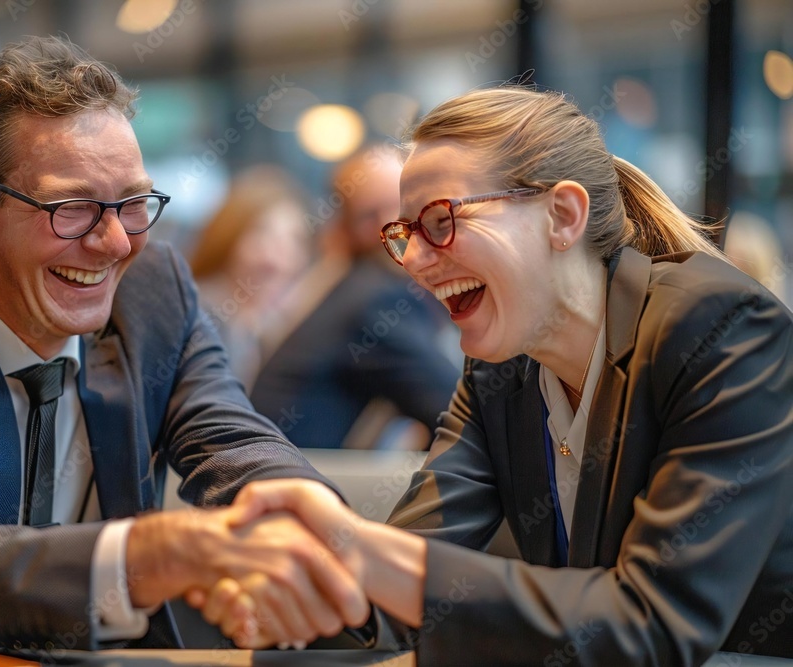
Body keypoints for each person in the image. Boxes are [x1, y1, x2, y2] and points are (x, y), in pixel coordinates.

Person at [0, 36, 368, 652]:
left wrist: (303, 510)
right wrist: (139, 557)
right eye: (73, 208)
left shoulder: (153, 294)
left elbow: (232, 437)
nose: (117, 243)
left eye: (132, 204)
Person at [194, 85, 793, 665]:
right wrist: (295, 599)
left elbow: (656, 625)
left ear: (562, 215)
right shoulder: (498, 371)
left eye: (438, 221)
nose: (412, 263)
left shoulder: (721, 328)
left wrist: (367, 555)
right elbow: (414, 569)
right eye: (404, 234)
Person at [250, 145, 459, 449]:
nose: (388, 225)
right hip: (293, 485)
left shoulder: (355, 290)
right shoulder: (376, 300)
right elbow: (457, 415)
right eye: (367, 215)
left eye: (400, 205)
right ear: (343, 229)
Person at [189, 165, 311, 386]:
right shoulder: (199, 313)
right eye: (263, 234)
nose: (280, 257)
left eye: (295, 239)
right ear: (229, 237)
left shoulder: (262, 328)